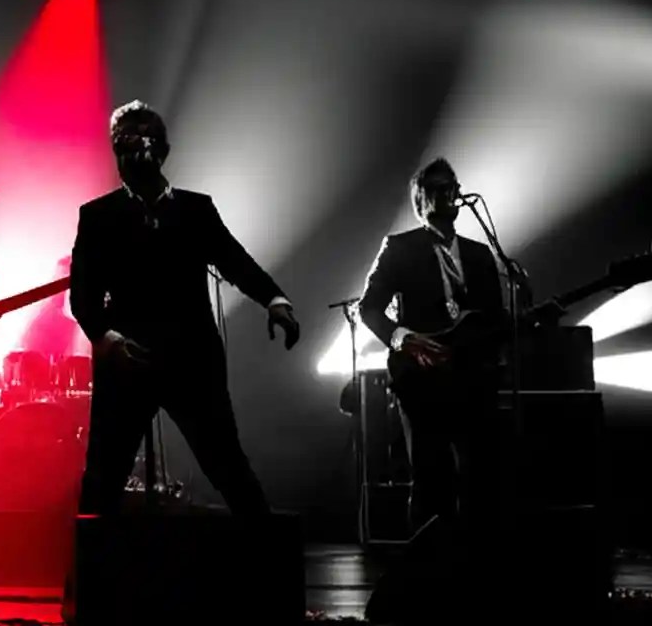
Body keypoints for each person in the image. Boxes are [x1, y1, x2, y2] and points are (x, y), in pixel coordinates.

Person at [67, 99, 300, 518]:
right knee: (103, 478)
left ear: (162, 150)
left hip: (191, 359)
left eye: (140, 144)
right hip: (128, 358)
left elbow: (234, 260)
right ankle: (87, 581)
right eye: (122, 146)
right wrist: (105, 336)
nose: (131, 156)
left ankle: (267, 567)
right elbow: (81, 292)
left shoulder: (196, 210)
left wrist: (274, 299)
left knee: (226, 464)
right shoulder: (98, 216)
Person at [358, 156, 505, 535]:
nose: (449, 192)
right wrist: (402, 339)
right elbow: (369, 307)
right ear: (421, 200)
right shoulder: (399, 248)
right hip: (422, 380)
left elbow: (495, 319)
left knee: (482, 476)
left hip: (473, 378)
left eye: (452, 185)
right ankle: (424, 575)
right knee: (431, 476)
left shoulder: (479, 253)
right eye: (437, 187)